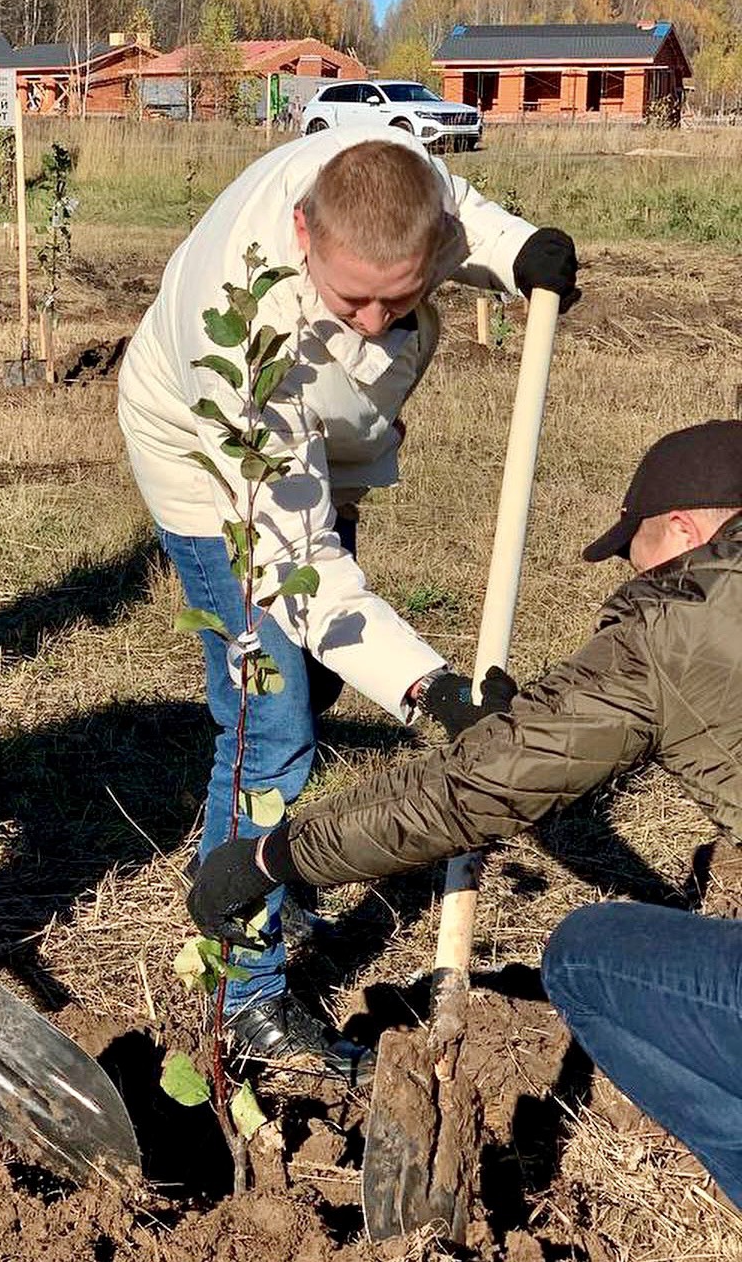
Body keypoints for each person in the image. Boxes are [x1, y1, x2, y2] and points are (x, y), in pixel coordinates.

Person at [117, 126, 578, 1081]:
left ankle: (283, 872)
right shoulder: (239, 332)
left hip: (325, 457)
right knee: (271, 718)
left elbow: (471, 224)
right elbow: (305, 566)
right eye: (352, 297)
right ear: (300, 233)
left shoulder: (408, 186)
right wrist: (433, 691)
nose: (374, 323)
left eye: (399, 298)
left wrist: (519, 249)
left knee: (315, 687)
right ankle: (238, 991)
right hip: (219, 474)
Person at [189, 418, 742, 1207]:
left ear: (683, 530)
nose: (631, 572)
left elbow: (467, 794)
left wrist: (273, 857)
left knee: (584, 957)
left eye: (635, 550)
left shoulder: (676, 623)